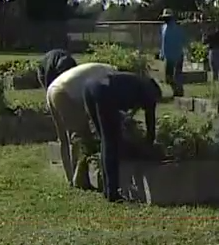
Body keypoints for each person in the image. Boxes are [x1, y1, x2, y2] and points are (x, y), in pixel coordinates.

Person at [83, 72, 162, 202]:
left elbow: (125, 110)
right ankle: (113, 194)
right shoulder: (150, 94)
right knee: (111, 142)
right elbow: (150, 123)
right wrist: (149, 144)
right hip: (104, 92)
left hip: (90, 86)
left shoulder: (137, 83)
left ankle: (107, 190)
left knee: (106, 140)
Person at [46, 61, 118, 189]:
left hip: (53, 89)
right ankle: (79, 180)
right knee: (82, 137)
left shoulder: (103, 68)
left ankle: (70, 177)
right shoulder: (111, 76)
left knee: (63, 138)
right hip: (63, 92)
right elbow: (100, 97)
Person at [160, 10, 186, 96]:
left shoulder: (177, 28)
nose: (166, 19)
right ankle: (176, 89)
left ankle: (179, 92)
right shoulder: (163, 28)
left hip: (177, 55)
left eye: (168, 18)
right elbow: (163, 42)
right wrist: (162, 53)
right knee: (167, 78)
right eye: (165, 18)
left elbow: (182, 40)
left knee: (177, 76)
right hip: (168, 56)